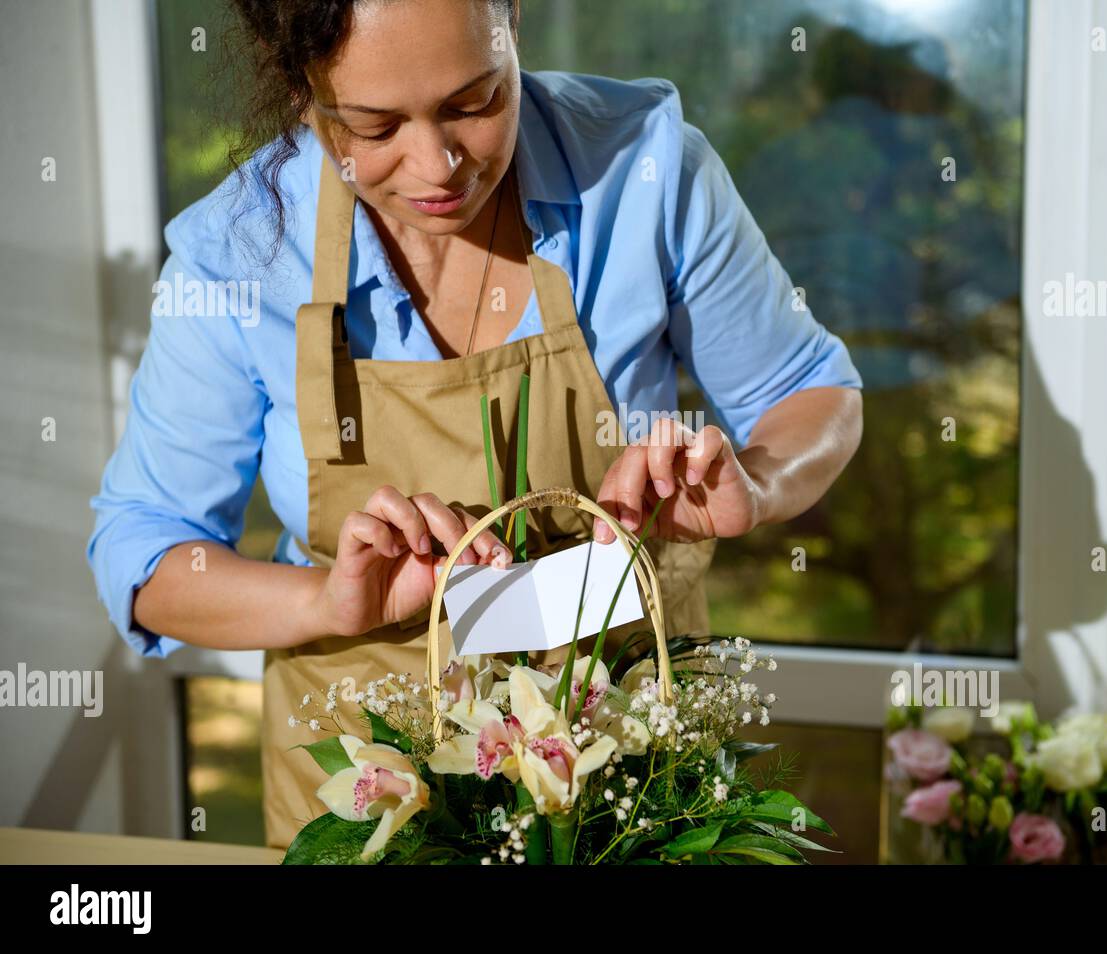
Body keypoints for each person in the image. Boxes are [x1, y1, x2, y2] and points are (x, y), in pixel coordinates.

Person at [87, 0, 863, 848]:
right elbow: (146, 549)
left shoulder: (645, 168)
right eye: (375, 126)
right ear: (303, 92)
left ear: (513, 24)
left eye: (475, 101)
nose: (438, 164)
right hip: (376, 821)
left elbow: (809, 389)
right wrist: (327, 599)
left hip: (638, 800)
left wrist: (761, 481)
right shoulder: (240, 251)